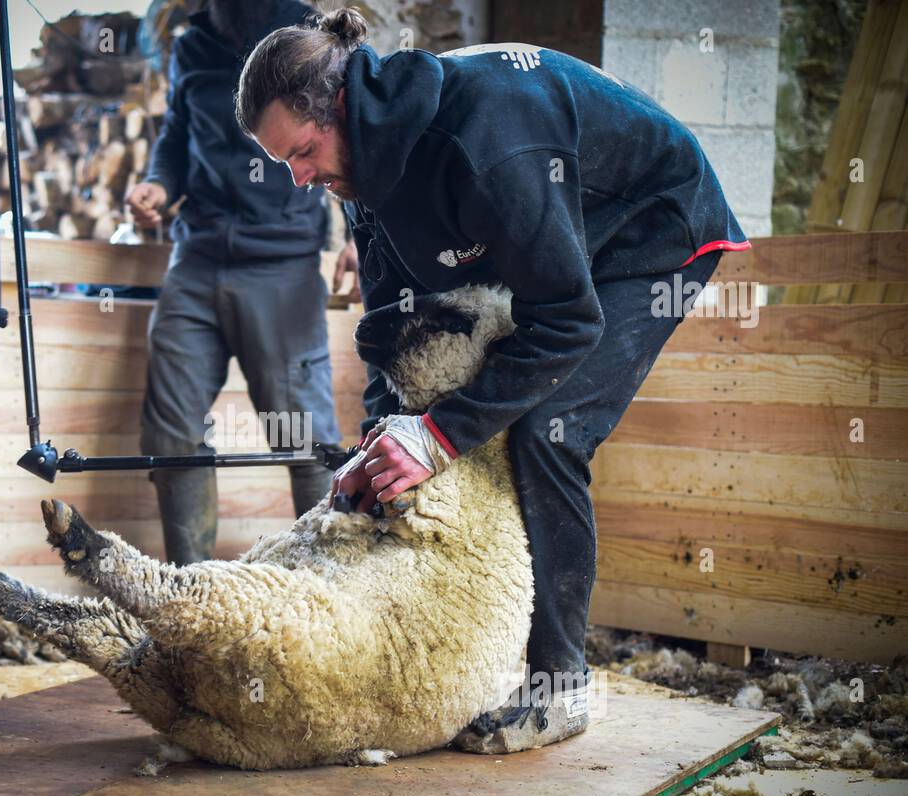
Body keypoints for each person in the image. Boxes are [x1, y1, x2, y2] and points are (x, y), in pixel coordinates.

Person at [236, 7, 751, 752]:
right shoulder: (362, 174)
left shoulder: (485, 137)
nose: (300, 178)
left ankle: (561, 687)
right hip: (553, 235)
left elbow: (570, 320)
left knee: (548, 430)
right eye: (285, 162)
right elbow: (393, 328)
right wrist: (379, 443)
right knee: (442, 422)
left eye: (304, 151)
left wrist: (439, 436)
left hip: (652, 232)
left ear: (342, 107)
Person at [127, 0, 354, 566]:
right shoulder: (193, 44)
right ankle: (190, 599)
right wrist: (158, 183)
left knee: (306, 440)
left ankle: (323, 594)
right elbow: (176, 135)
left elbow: (345, 130)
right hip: (196, 257)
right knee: (170, 434)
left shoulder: (308, 34)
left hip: (283, 263)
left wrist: (359, 231)